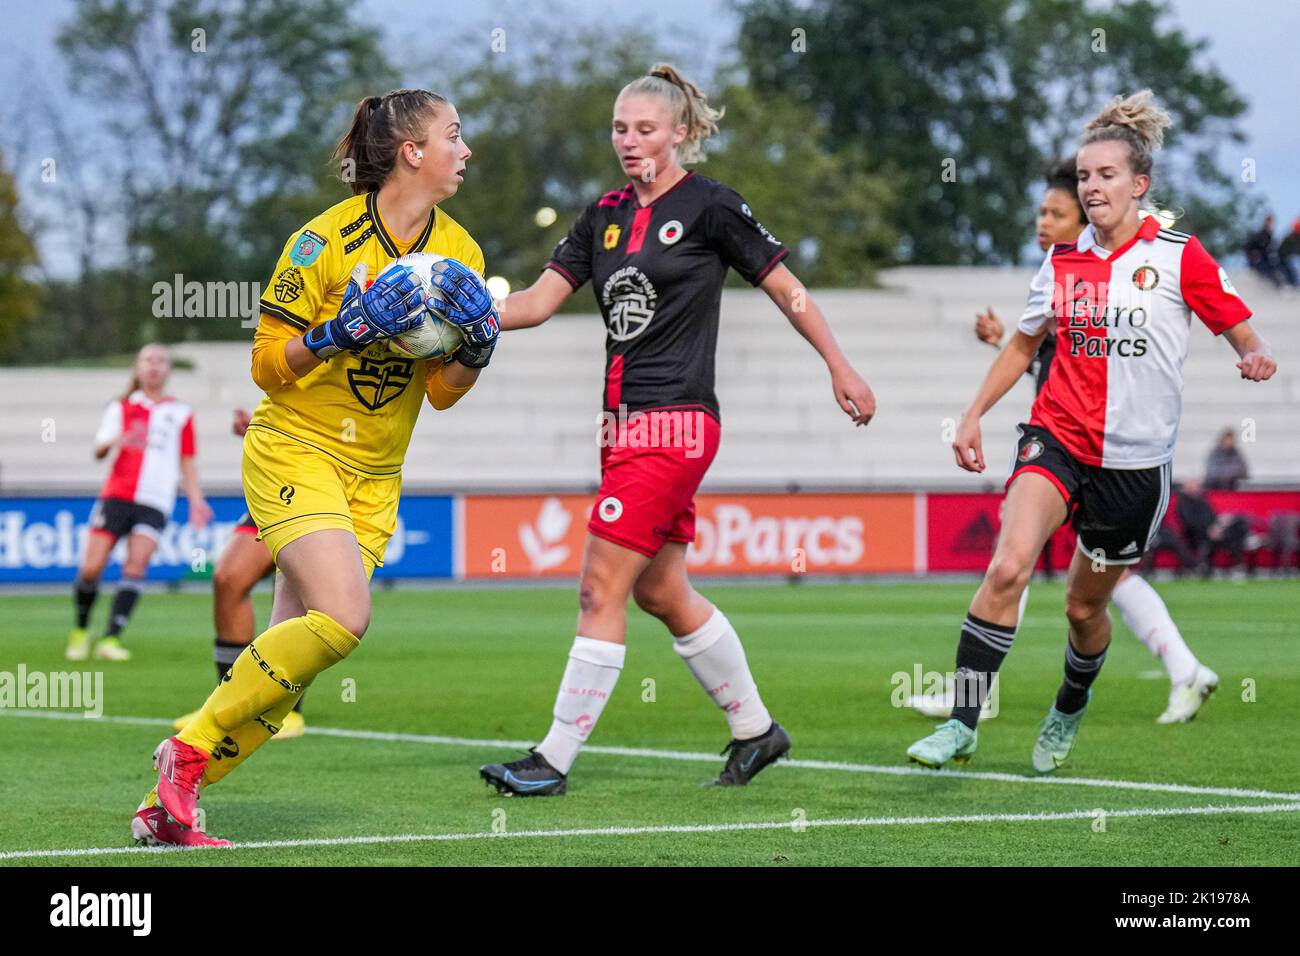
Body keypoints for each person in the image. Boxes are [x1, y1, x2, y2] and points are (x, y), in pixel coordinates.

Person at [478, 64, 876, 797]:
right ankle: (757, 731)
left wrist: (839, 366)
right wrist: (457, 312)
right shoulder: (599, 214)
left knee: (600, 589)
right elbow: (534, 303)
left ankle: (553, 760)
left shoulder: (711, 206)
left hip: (677, 424)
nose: (629, 142)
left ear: (682, 133)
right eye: (620, 129)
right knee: (660, 591)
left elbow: (787, 289)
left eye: (646, 129)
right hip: (620, 426)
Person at [131, 88, 500, 847]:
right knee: (345, 617)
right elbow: (268, 366)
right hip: (297, 447)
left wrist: (476, 350)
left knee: (291, 664)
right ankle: (189, 748)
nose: (466, 152)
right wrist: (343, 329)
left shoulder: (461, 254)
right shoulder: (319, 244)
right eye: (455, 137)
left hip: (376, 474)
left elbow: (442, 394)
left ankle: (162, 807)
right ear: (412, 153)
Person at [907, 90, 1275, 774]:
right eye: (1083, 176)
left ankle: (1070, 704)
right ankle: (961, 724)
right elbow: (1022, 347)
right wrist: (970, 415)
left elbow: (1236, 323)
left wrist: (1251, 353)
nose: (1092, 186)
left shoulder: (1178, 255)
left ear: (1140, 185)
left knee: (1083, 610)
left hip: (1134, 468)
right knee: (1008, 565)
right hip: (1057, 439)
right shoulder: (1062, 261)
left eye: (1106, 176)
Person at [915, 160, 1219, 725]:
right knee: (1023, 563)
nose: (1043, 220)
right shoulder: (1064, 275)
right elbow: (1045, 361)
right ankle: (1182, 669)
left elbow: (1085, 365)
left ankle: (983, 696)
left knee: (1067, 579)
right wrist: (1003, 343)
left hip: (1106, 455)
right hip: (1065, 444)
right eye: (1042, 209)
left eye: (1057, 212)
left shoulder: (1106, 278)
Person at [67, 344, 212, 663]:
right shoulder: (121, 407)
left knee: (136, 566)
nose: (154, 366)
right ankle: (81, 630)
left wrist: (196, 500)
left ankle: (110, 639)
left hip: (156, 500)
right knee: (91, 568)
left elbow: (187, 460)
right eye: (148, 360)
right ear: (137, 368)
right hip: (117, 496)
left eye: (161, 361)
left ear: (168, 370)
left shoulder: (181, 413)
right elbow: (99, 451)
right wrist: (116, 441)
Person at [170, 409, 305, 739]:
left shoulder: (340, 357)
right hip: (274, 489)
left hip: (320, 487)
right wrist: (258, 428)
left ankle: (286, 709)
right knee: (228, 578)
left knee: (294, 583)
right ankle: (227, 703)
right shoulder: (288, 362)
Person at [1244, 214, 1282, 287]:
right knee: (1269, 275)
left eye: (1271, 222)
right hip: (1259, 261)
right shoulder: (1262, 233)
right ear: (1265, 222)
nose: (1270, 224)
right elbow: (1249, 246)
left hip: (1265, 260)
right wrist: (1254, 255)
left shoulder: (1268, 234)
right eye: (1269, 222)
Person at [1278, 218, 1300, 287]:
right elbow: (1282, 250)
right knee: (1295, 265)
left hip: (1291, 258)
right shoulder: (1290, 238)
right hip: (1286, 259)